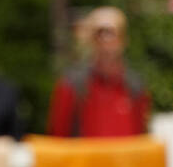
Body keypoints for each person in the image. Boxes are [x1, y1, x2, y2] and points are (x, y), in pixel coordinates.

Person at [46, 7, 149, 137]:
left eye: (111, 32)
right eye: (99, 33)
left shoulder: (135, 86)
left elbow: (141, 138)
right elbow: (58, 138)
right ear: (91, 39)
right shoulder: (72, 85)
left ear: (123, 39)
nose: (105, 40)